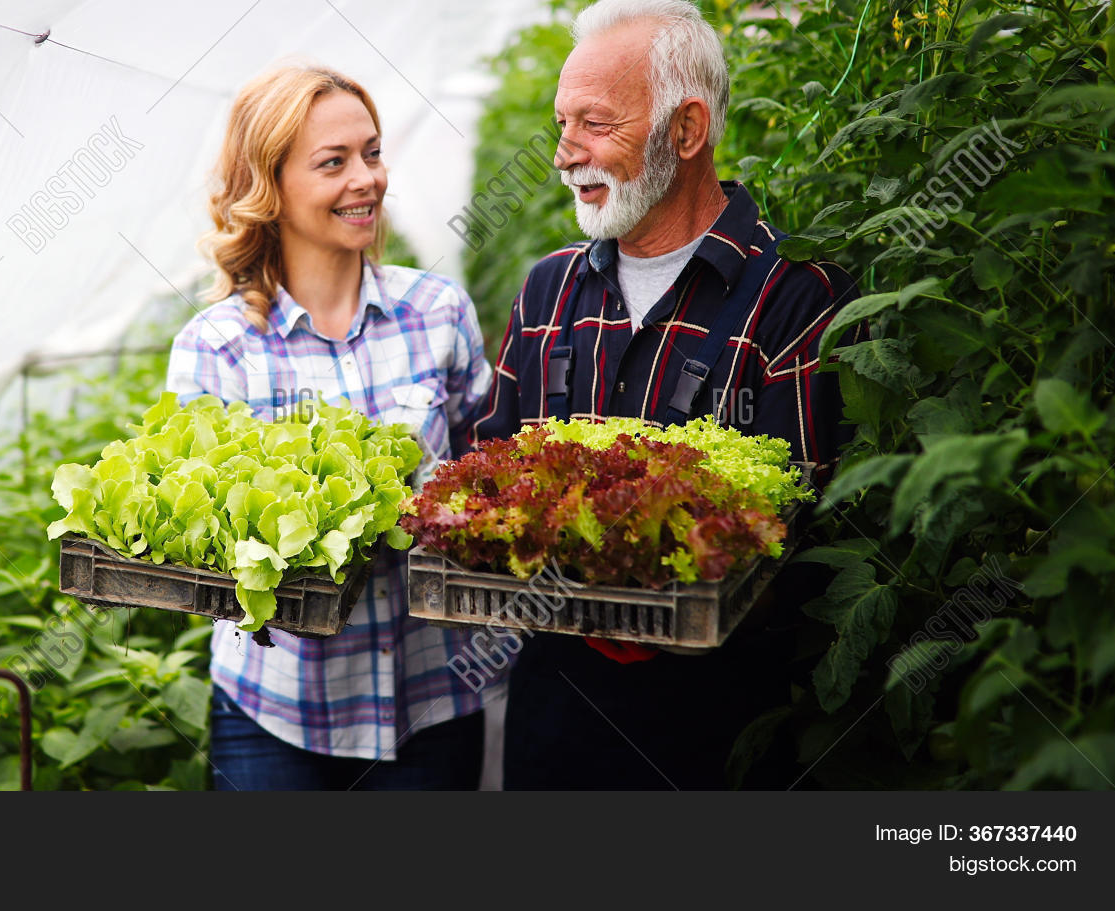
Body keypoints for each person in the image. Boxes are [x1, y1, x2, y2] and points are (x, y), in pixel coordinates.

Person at [469, 0, 862, 789]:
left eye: (595, 124)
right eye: (560, 124)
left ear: (686, 132)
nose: (563, 154)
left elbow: (814, 547)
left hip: (717, 736)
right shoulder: (549, 290)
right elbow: (490, 468)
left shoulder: (794, 299)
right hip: (555, 721)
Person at [166, 64, 495, 790]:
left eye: (372, 154)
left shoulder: (438, 312)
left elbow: (487, 473)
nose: (366, 179)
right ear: (270, 186)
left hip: (431, 702)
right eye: (333, 163)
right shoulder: (217, 346)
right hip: (276, 713)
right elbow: (207, 547)